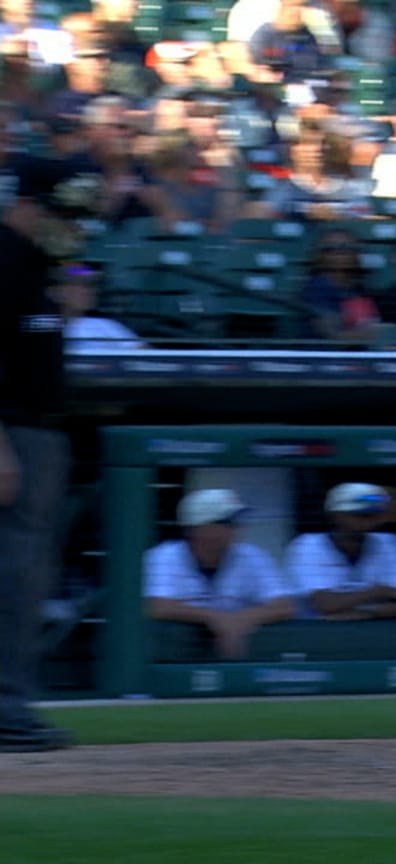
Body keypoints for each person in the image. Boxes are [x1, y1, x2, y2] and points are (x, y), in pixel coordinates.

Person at [0, 157, 101, 752]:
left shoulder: (34, 263)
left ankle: (12, 705)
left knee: (24, 574)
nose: (72, 227)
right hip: (15, 436)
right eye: (62, 214)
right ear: (28, 205)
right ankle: (7, 711)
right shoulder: (5, 257)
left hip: (35, 433)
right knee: (13, 578)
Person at [143, 489, 297, 660]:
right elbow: (155, 606)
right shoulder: (165, 556)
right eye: (229, 522)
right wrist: (215, 618)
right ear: (201, 528)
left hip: (233, 661)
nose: (238, 528)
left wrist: (241, 620)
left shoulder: (251, 556)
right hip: (172, 659)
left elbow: (285, 605)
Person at [283, 483, 396, 620]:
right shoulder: (308, 545)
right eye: (360, 515)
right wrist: (381, 591)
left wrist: (367, 613)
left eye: (374, 516)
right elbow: (325, 604)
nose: (370, 522)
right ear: (336, 515)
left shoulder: (390, 543)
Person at [52, 260, 145, 352]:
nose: (90, 291)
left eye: (91, 286)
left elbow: (148, 358)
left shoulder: (105, 326)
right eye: (81, 285)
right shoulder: (44, 327)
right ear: (59, 290)